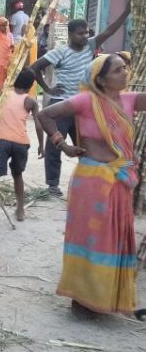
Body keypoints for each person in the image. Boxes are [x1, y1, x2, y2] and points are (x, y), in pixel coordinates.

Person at [37, 52, 145, 318]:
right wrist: (62, 144)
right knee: (91, 239)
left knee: (114, 239)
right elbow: (45, 115)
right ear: (102, 79)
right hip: (92, 182)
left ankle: (105, 298)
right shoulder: (86, 101)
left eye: (124, 69)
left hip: (119, 181)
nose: (125, 74)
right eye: (118, 70)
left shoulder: (129, 100)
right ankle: (83, 300)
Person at [31, 4, 130, 196]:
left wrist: (126, 9)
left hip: (85, 106)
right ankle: (52, 185)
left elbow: (110, 30)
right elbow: (34, 67)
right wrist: (48, 89)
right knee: (55, 145)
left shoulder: (91, 45)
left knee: (88, 145)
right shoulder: (60, 52)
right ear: (70, 34)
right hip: (61, 104)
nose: (85, 37)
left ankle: (90, 181)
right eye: (80, 34)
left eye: (86, 33)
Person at [0, 69, 44, 222]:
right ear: (31, 85)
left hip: (2, 141)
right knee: (17, 175)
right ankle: (20, 210)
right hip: (21, 143)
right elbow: (38, 126)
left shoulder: (3, 94)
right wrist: (41, 146)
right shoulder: (30, 102)